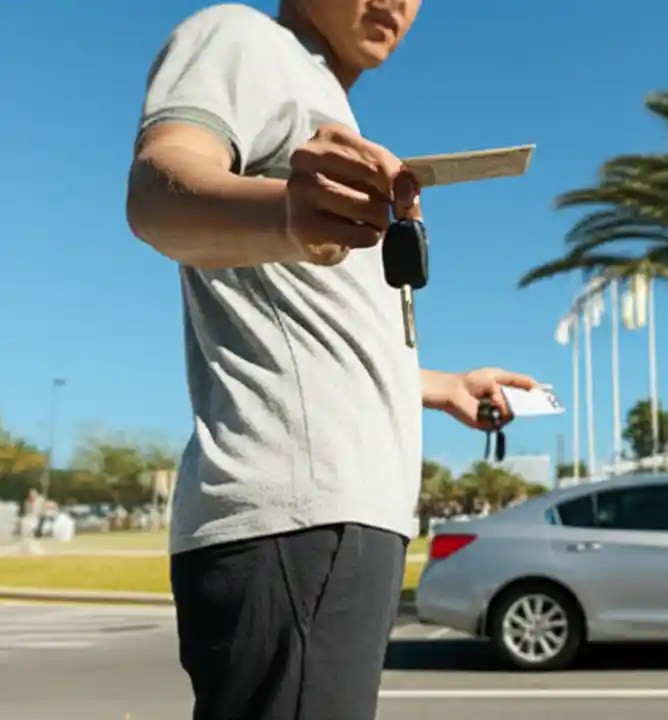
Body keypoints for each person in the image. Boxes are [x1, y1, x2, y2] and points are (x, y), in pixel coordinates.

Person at [125, 2, 538, 718]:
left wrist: (442, 387)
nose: (397, 2)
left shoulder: (324, 101)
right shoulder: (243, 37)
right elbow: (156, 192)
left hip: (335, 522)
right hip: (295, 515)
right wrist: (285, 214)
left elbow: (323, 341)